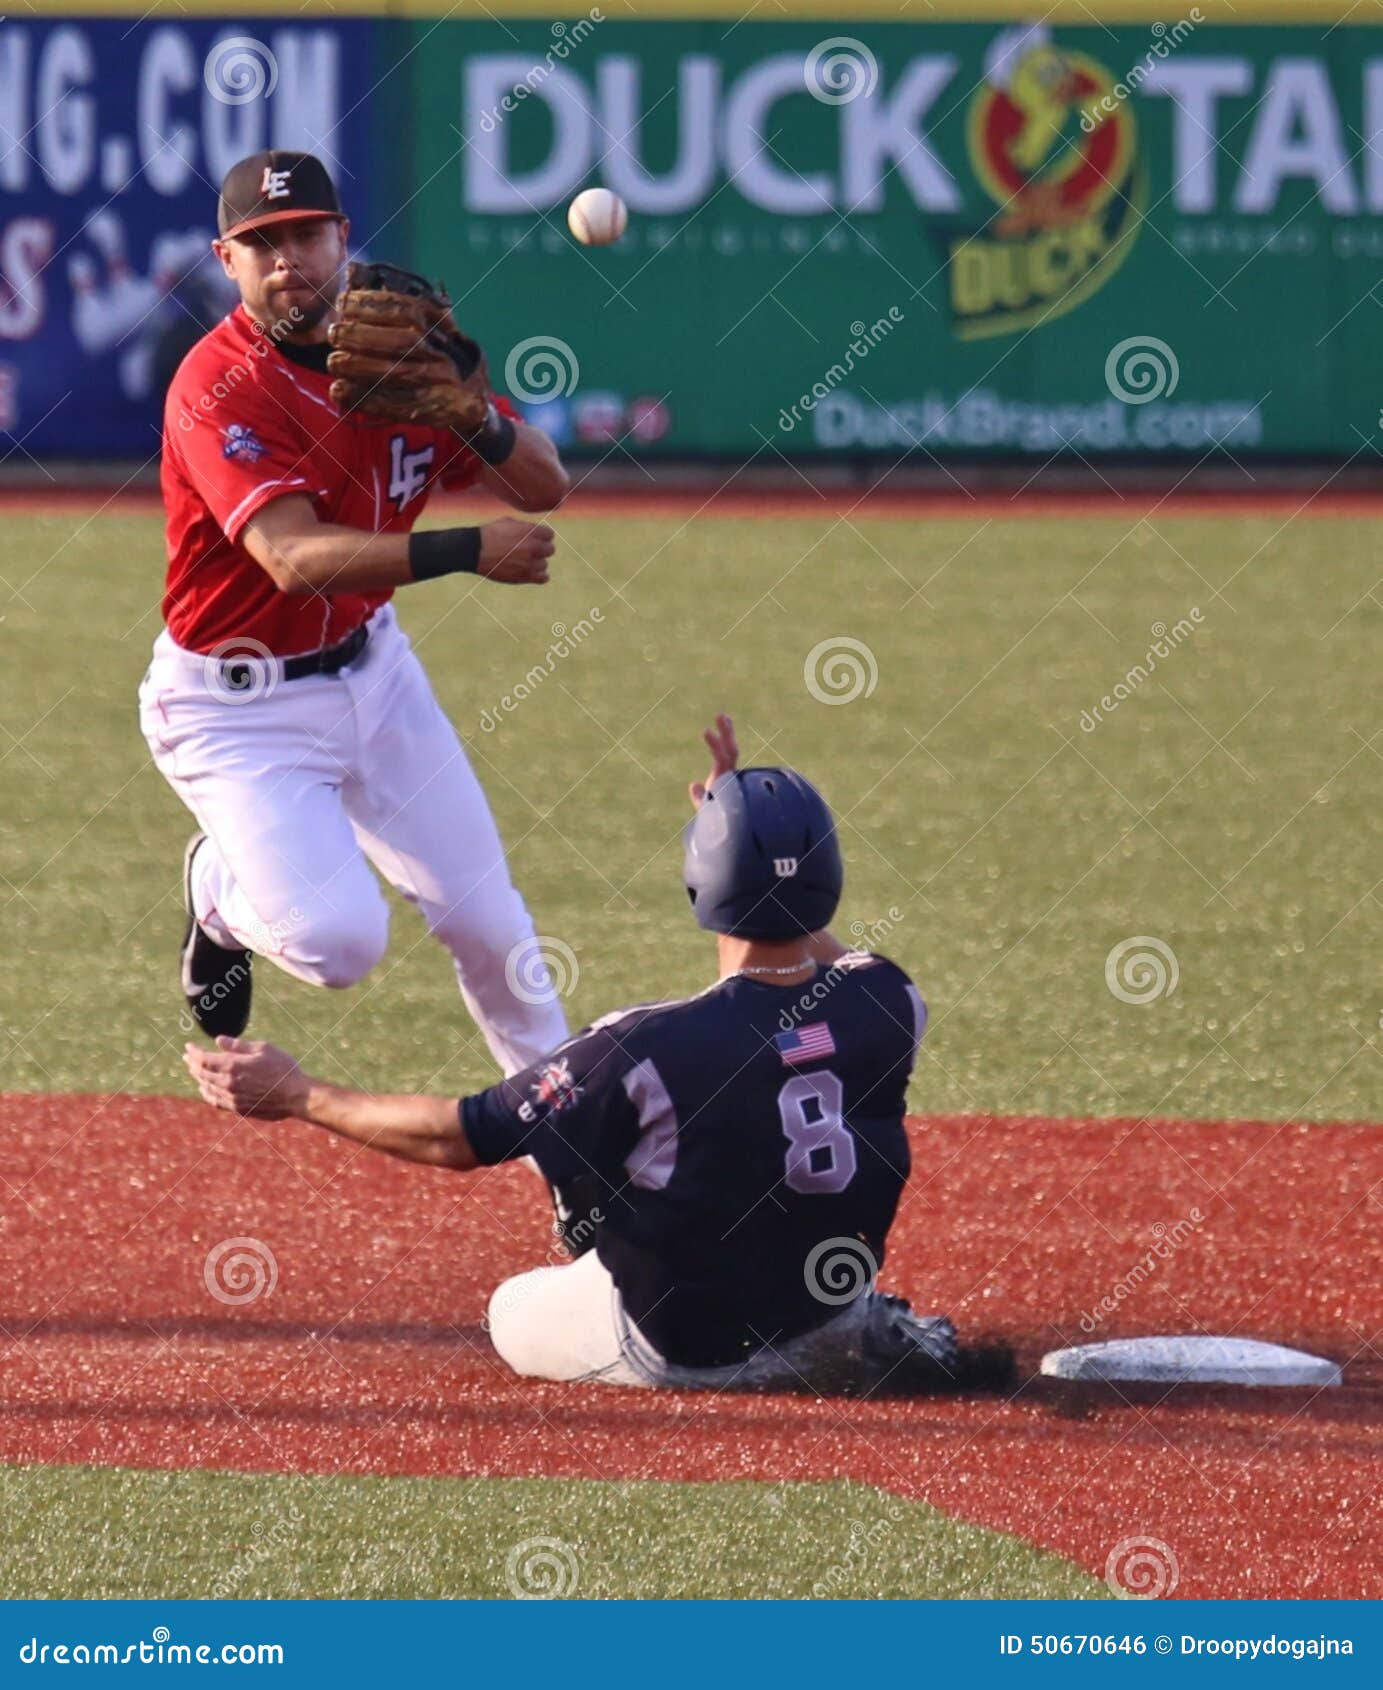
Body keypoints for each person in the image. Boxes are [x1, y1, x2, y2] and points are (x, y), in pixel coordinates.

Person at [185, 715, 1002, 1395]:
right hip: (824, 1313)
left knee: (515, 1306)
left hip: (685, 1352)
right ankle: (845, 1332)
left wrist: (300, 1094)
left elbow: (460, 1136)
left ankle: (650, 1278)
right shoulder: (887, 999)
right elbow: (814, 960)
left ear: (700, 888)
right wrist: (753, 845)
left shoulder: (642, 1044)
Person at [140, 149, 569, 1076]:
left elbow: (544, 484)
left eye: (305, 235)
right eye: (264, 244)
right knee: (340, 945)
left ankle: (573, 1157)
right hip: (237, 707)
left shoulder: (399, 349)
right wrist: (464, 550)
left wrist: (476, 416)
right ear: (227, 260)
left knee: (495, 930)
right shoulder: (217, 388)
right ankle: (218, 892)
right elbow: (291, 558)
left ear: (342, 238)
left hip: (375, 673)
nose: (288, 259)